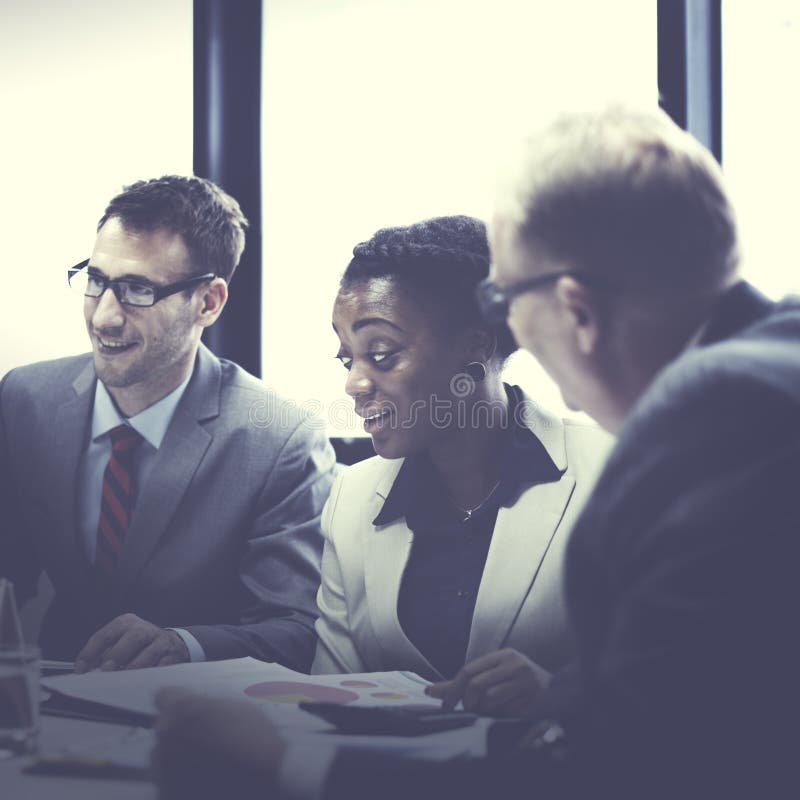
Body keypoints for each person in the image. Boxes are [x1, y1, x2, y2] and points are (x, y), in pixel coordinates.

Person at [153, 105, 800, 800]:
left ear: (576, 310)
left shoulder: (710, 422)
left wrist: (283, 766)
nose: (506, 326)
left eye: (507, 296)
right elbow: (688, 717)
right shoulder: (769, 368)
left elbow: (625, 770)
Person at [0, 175, 335, 672]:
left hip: (202, 716)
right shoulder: (24, 399)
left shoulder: (280, 440)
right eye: (96, 281)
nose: (105, 317)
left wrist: (185, 645)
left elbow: (297, 629)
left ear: (209, 302)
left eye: (137, 289)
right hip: (53, 702)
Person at [312, 216, 612, 715]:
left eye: (382, 354)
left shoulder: (611, 473)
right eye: (349, 360)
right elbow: (330, 695)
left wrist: (560, 696)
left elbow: (680, 685)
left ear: (476, 348)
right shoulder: (351, 498)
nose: (354, 384)